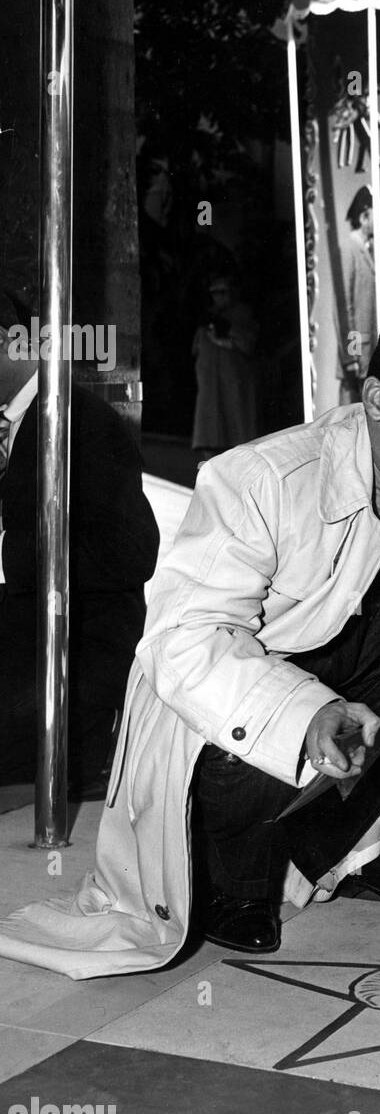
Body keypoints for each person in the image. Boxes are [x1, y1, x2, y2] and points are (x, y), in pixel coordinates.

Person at [0, 306, 380, 978]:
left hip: (371, 679)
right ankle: (233, 887)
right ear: (374, 399)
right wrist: (303, 712)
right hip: (255, 700)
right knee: (254, 737)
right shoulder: (263, 478)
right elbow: (185, 640)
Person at [0, 293, 160, 798]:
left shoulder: (84, 426)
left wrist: (7, 553)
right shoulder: (22, 419)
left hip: (72, 666)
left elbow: (132, 550)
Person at [191, 273, 259, 460]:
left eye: (222, 292)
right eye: (214, 293)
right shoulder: (209, 316)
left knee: (236, 422)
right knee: (210, 426)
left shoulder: (242, 313)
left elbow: (247, 342)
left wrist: (227, 333)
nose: (217, 297)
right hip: (210, 381)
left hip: (233, 380)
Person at [335, 186, 377, 402]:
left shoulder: (365, 250)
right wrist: (350, 355)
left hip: (367, 355)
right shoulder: (348, 248)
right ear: (364, 216)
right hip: (357, 357)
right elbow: (343, 307)